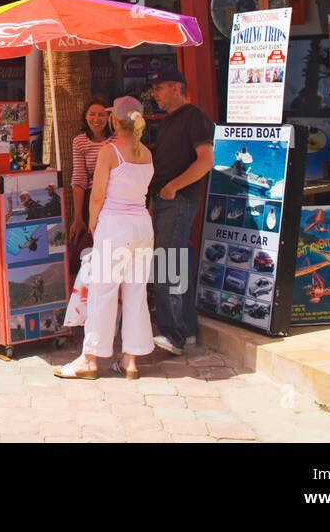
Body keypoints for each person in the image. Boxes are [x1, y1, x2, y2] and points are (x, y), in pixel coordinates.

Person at [56, 97, 155, 380]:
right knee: (136, 293)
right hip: (141, 227)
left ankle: (90, 359)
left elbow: (96, 195)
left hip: (115, 225)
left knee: (103, 293)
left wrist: (93, 225)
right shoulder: (147, 153)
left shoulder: (110, 152)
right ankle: (130, 360)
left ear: (114, 120)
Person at [147, 66, 214, 355]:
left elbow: (206, 161)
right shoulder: (167, 122)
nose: (154, 95)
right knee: (176, 265)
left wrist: (174, 187)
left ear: (176, 87)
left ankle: (172, 335)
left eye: (159, 88)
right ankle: (186, 331)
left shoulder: (195, 117)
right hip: (164, 202)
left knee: (166, 265)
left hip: (179, 201)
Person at [70, 96, 112, 261]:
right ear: (85, 117)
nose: (96, 119)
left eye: (102, 115)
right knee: (85, 247)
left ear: (110, 118)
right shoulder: (79, 142)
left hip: (112, 199)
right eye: (92, 114)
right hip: (90, 199)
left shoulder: (117, 140)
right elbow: (79, 180)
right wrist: (78, 218)